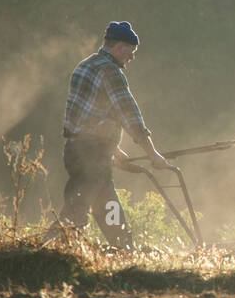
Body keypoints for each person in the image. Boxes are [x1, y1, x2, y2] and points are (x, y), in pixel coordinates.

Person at [53, 21, 171, 248]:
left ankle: (125, 248)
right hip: (92, 153)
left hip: (76, 149)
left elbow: (84, 119)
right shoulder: (110, 71)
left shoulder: (85, 66)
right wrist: (153, 154)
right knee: (78, 204)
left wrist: (115, 151)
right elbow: (129, 115)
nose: (132, 57)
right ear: (120, 47)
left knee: (106, 203)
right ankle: (53, 247)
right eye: (131, 51)